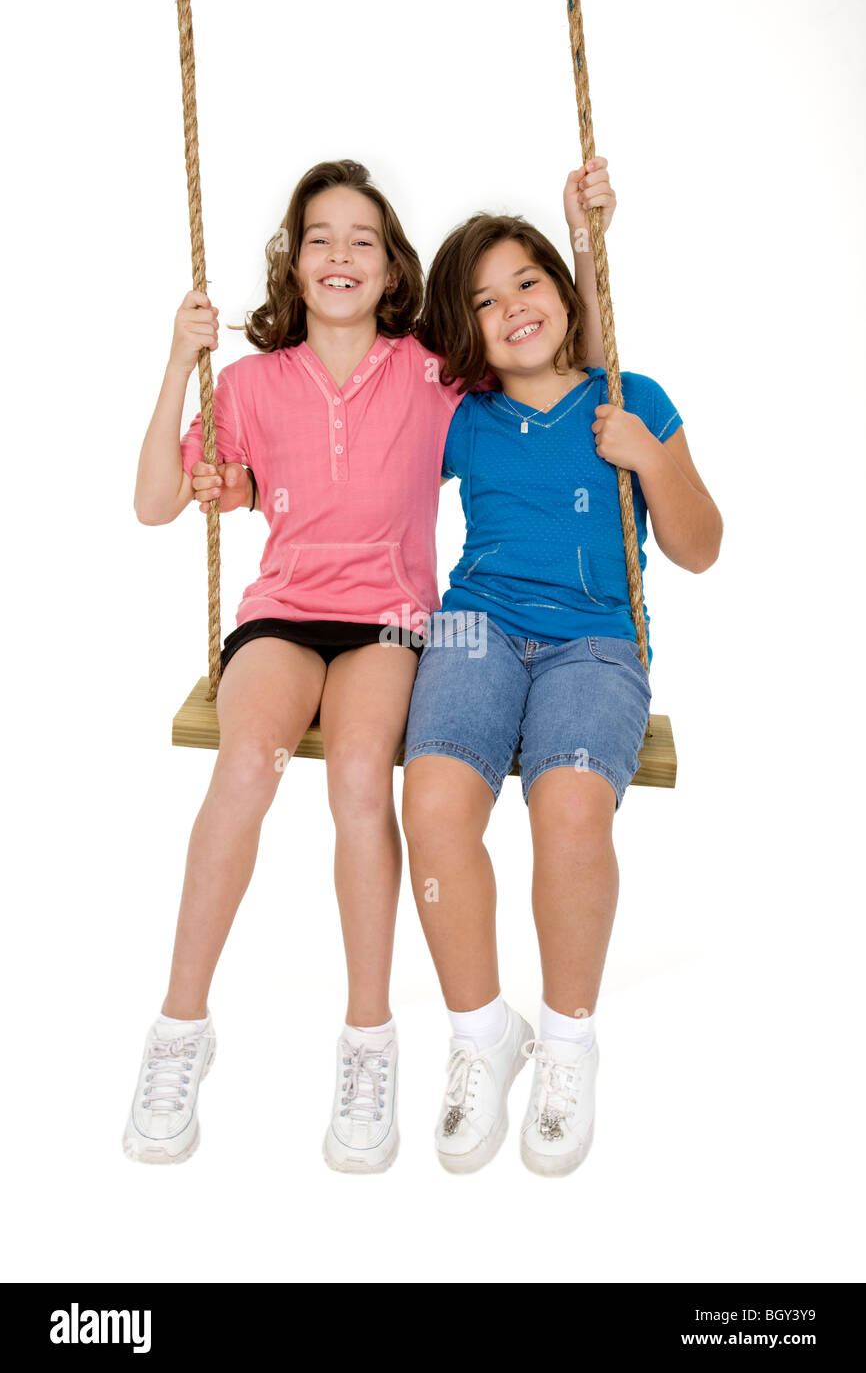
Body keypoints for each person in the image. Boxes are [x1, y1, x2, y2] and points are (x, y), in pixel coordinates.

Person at [124, 157, 612, 1170]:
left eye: (360, 238)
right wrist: (181, 357)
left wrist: (581, 249)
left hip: (392, 620)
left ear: (390, 267)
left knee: (360, 781)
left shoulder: (430, 372)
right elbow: (154, 501)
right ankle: (179, 1026)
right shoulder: (251, 383)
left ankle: (368, 1039)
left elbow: (564, 375)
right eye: (317, 238)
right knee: (244, 766)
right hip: (282, 618)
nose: (338, 254)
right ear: (292, 265)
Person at [399, 212, 723, 1176]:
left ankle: (569, 1044)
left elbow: (701, 548)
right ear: (467, 332)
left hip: (598, 637)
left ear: (565, 288)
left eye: (528, 283)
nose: (513, 309)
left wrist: (647, 455)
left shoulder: (632, 398)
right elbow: (366, 456)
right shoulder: (462, 414)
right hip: (475, 621)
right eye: (485, 302)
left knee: (571, 810)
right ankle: (481, 1032)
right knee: (433, 800)